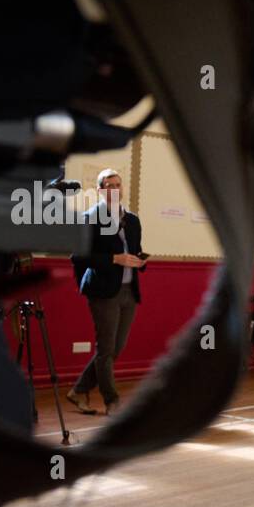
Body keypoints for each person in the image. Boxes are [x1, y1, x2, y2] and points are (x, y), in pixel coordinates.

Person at [68, 169, 145, 416]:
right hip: (103, 291)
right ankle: (111, 400)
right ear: (101, 190)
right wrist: (114, 258)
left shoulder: (132, 220)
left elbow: (135, 249)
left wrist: (140, 260)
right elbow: (78, 256)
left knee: (116, 348)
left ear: (122, 189)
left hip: (129, 290)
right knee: (106, 350)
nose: (114, 189)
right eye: (108, 185)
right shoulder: (90, 218)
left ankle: (79, 390)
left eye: (117, 185)